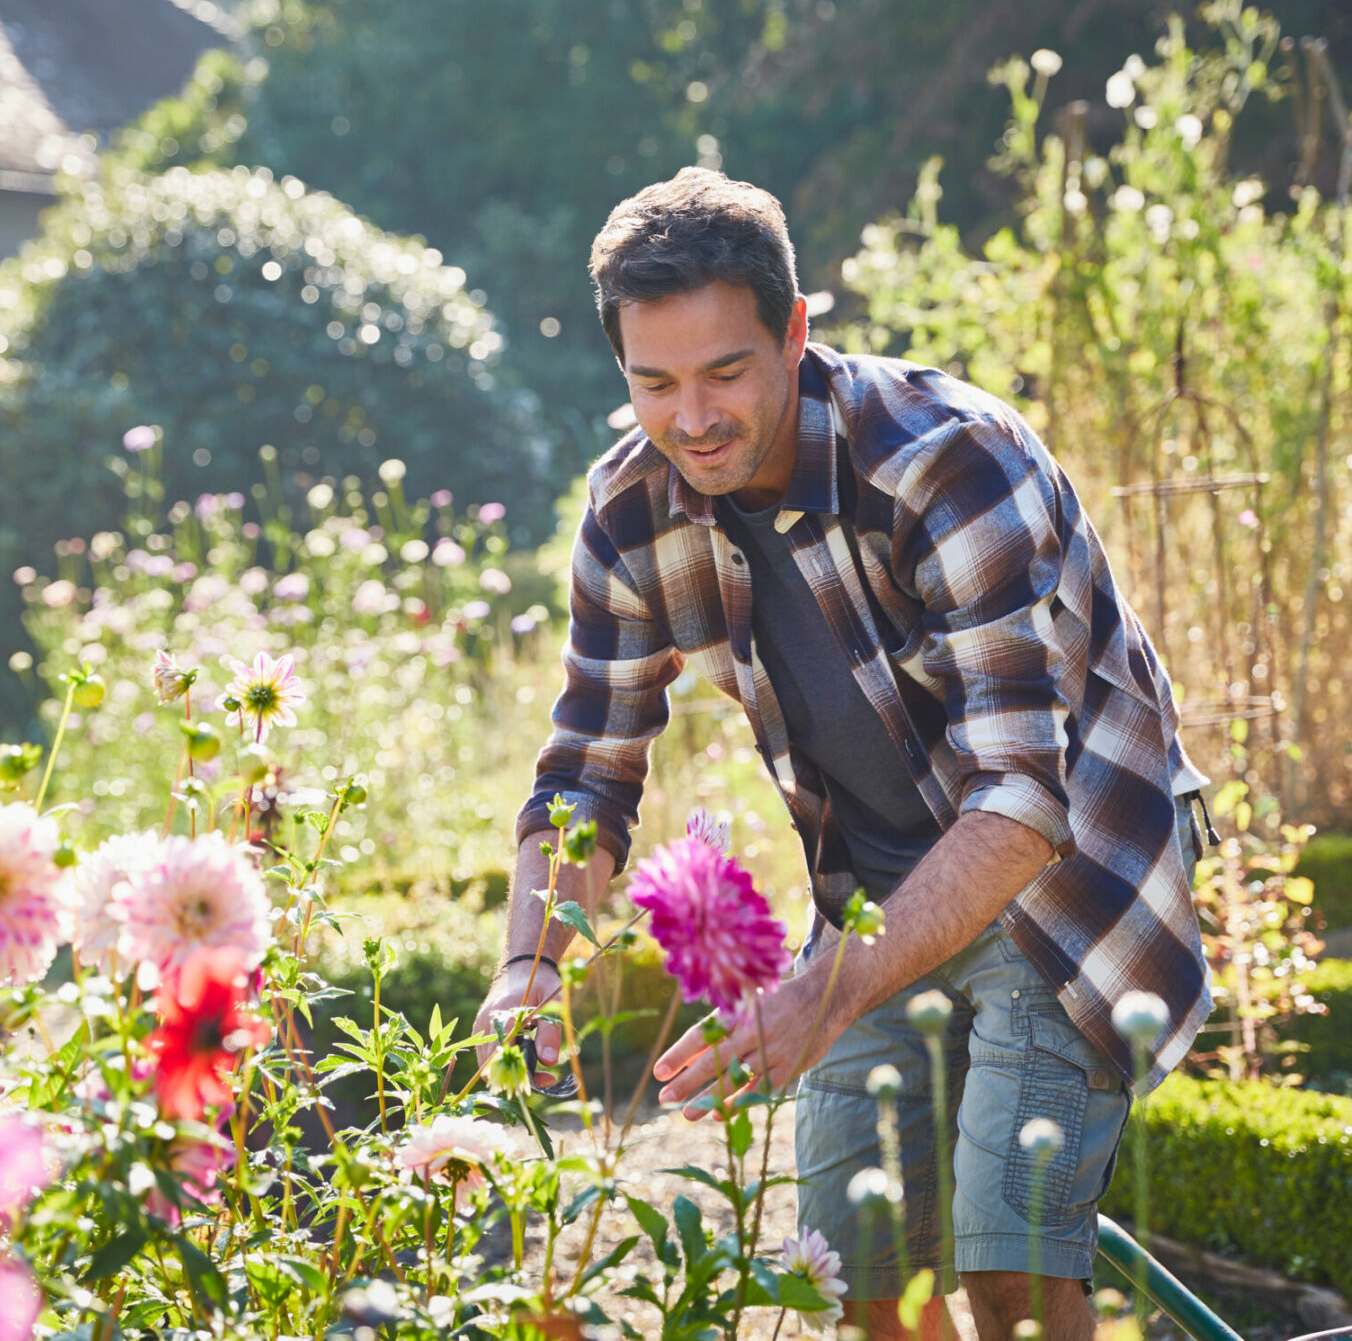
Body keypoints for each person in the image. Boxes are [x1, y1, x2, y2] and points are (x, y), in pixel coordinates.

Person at [473, 167, 1213, 1341]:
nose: (693, 418)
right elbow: (585, 776)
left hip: (1066, 869)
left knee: (1006, 1260)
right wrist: (530, 965)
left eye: (726, 372)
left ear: (797, 331)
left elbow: (1022, 801)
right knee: (856, 1269)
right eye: (654, 383)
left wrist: (821, 992)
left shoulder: (944, 462)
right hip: (875, 897)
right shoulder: (630, 514)